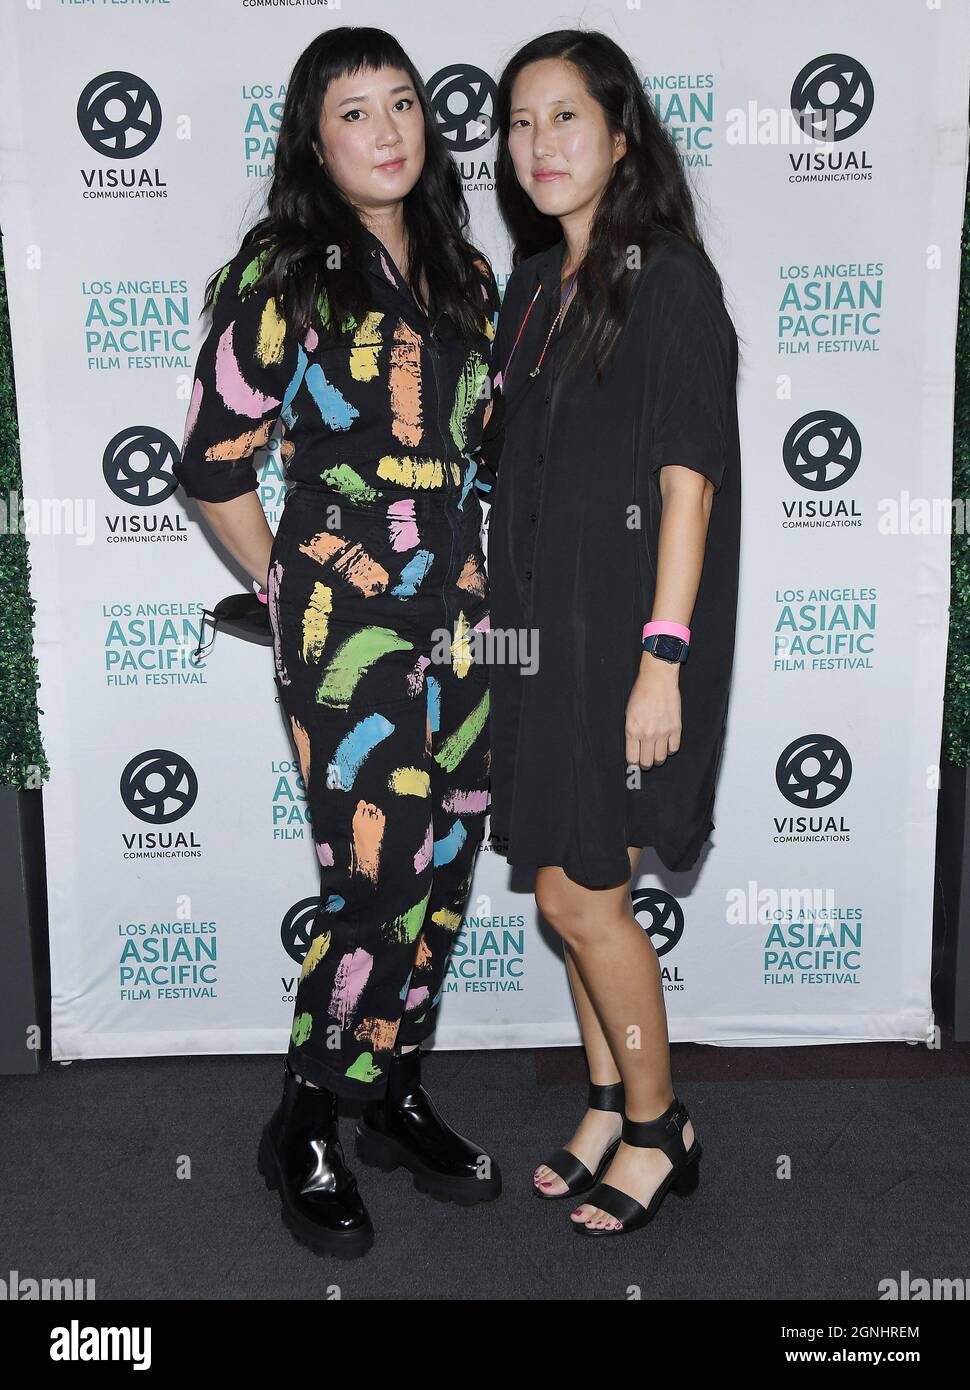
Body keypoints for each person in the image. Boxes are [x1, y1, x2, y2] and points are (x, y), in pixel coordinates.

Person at [174, 26, 503, 1259]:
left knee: (450, 862)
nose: (388, 130)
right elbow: (210, 458)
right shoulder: (286, 269)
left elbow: (493, 448)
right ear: (315, 140)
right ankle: (304, 1114)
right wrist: (292, 581)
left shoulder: (467, 270)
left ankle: (392, 1088)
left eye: (404, 104)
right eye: (355, 111)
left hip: (466, 609)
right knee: (379, 874)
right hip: (345, 608)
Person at [477, 29, 742, 1237]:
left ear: (621, 134)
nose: (538, 144)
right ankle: (601, 1100)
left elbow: (686, 483)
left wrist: (661, 655)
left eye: (565, 117)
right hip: (537, 637)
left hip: (621, 645)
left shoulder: (668, 277)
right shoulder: (534, 285)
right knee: (559, 887)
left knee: (591, 895)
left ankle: (658, 1126)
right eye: (519, 123)